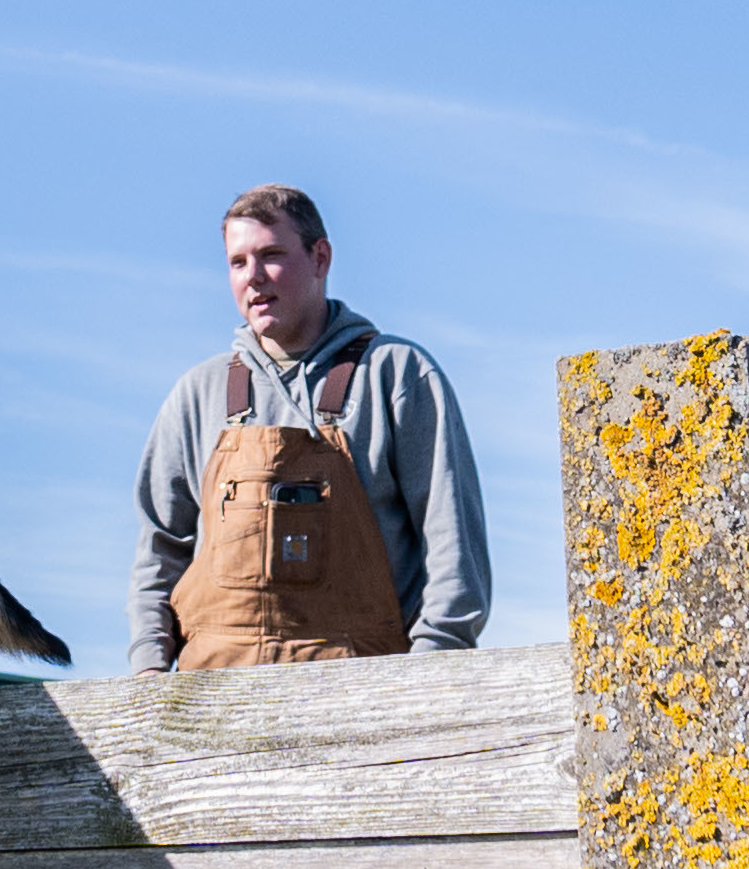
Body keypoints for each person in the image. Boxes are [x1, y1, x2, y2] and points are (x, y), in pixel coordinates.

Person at [130, 186, 491, 671]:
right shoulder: (199, 394)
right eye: (237, 263)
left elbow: (453, 548)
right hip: (214, 708)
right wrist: (150, 673)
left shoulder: (396, 375)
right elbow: (159, 550)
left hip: (361, 700)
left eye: (271, 255)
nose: (253, 277)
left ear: (320, 257)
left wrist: (424, 677)